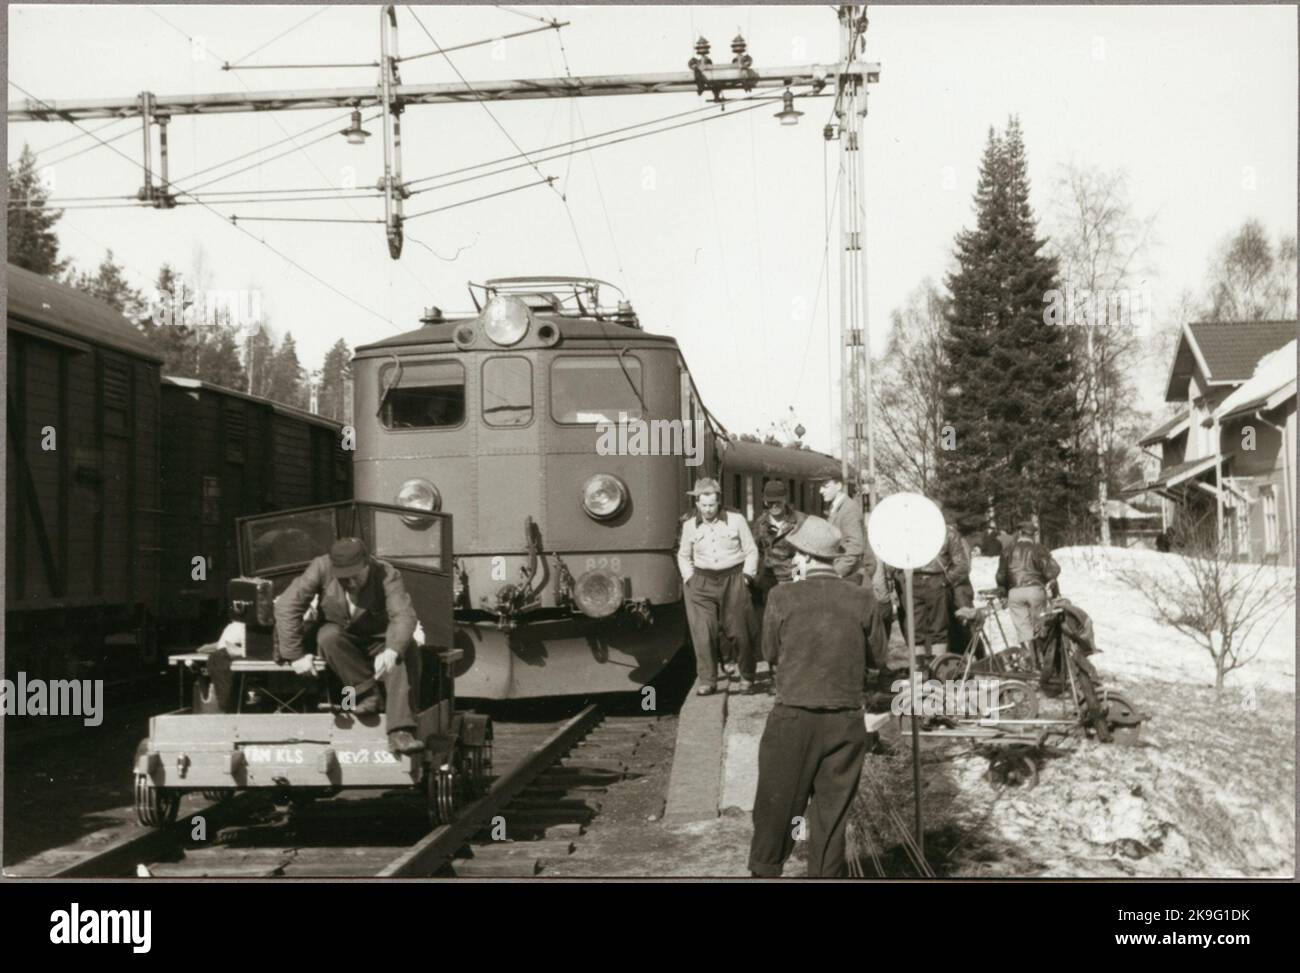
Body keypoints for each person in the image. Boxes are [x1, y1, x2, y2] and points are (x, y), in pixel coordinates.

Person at [748, 516, 871, 879]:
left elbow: (769, 651)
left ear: (803, 556)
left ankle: (765, 872)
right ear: (833, 558)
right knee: (831, 816)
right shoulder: (863, 598)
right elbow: (877, 656)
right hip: (846, 720)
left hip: (793, 720)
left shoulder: (782, 596)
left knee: (778, 808)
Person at [274, 536, 425, 754]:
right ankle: (366, 695)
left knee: (405, 650)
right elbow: (287, 605)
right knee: (327, 636)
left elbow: (402, 616)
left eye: (355, 576)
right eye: (344, 579)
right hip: (343, 640)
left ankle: (400, 730)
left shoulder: (387, 574)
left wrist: (392, 650)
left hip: (381, 640)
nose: (351, 584)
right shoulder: (320, 567)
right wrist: (295, 655)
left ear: (367, 564)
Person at [677, 477, 759, 695]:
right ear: (697, 504)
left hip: (733, 578)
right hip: (702, 582)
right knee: (703, 633)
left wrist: (747, 576)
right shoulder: (689, 526)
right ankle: (708, 680)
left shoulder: (736, 520)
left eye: (712, 505)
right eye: (703, 505)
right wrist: (690, 578)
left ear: (718, 501)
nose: (708, 510)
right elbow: (683, 555)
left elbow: (751, 550)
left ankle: (747, 676)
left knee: (739, 631)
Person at [890, 513, 969, 665]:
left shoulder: (948, 532)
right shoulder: (907, 531)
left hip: (936, 581)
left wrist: (944, 581)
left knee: (938, 630)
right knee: (914, 630)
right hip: (911, 581)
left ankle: (938, 670)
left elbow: (961, 565)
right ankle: (919, 672)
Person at [995, 519, 1061, 665]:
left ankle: (1031, 662)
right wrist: (1051, 585)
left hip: (1015, 593)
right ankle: (1046, 662)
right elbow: (1053, 570)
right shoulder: (1038, 549)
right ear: (1033, 534)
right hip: (1035, 591)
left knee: (1024, 630)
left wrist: (1004, 593)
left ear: (1019, 533)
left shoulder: (1007, 550)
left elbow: (1000, 576)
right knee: (1040, 627)